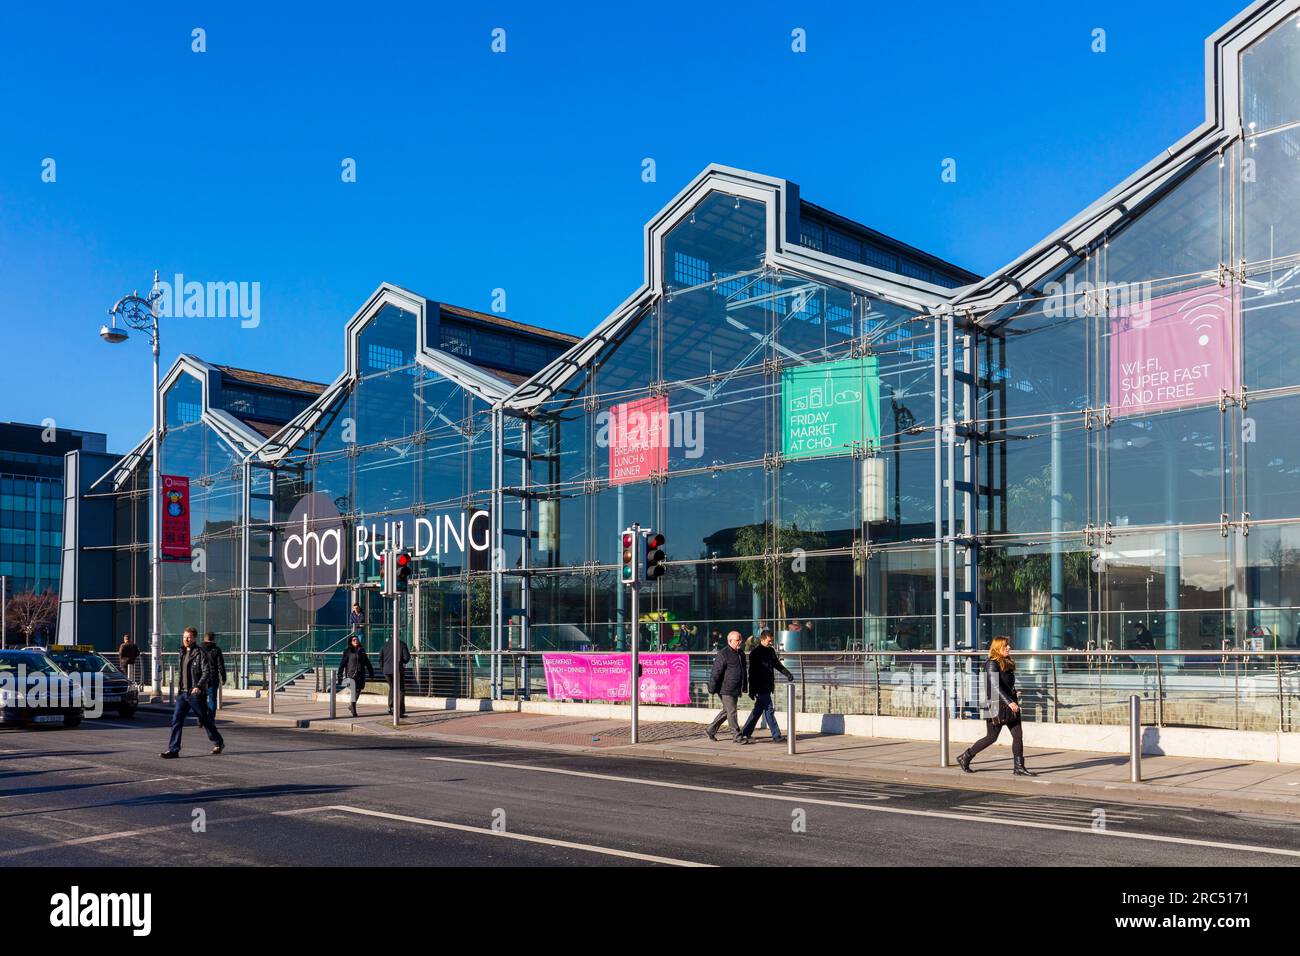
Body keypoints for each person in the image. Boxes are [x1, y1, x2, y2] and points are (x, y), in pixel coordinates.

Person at [956, 636, 1034, 777]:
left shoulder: (1006, 662)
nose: (1009, 647)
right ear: (998, 648)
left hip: (1009, 704)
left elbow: (1005, 684)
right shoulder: (991, 663)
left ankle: (1019, 767)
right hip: (995, 705)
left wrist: (1013, 694)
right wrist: (1009, 702)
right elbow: (995, 686)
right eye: (1006, 646)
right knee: (991, 737)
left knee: (1018, 735)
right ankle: (965, 757)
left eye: (1009, 645)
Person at [161, 627, 225, 759]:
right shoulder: (182, 651)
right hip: (183, 694)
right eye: (184, 637)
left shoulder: (200, 653)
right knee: (176, 720)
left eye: (189, 637)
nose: (186, 639)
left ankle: (218, 741)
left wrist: (198, 686)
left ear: (195, 638)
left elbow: (206, 672)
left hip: (195, 693)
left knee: (205, 719)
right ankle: (174, 750)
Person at [741, 628, 793, 743]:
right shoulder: (755, 653)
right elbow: (752, 673)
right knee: (769, 709)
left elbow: (777, 664)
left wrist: (787, 673)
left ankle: (744, 732)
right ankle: (776, 735)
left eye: (772, 641)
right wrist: (752, 690)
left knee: (758, 710)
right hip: (760, 687)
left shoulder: (770, 651)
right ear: (763, 639)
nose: (771, 643)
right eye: (769, 641)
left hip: (768, 685)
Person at [705, 630, 748, 743]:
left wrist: (744, 686)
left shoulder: (741, 654)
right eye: (737, 640)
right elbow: (716, 672)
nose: (740, 642)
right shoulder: (723, 654)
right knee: (732, 711)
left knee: (727, 711)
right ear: (730, 641)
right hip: (725, 688)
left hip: (736, 688)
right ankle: (737, 736)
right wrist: (712, 687)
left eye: (741, 639)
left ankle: (710, 730)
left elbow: (743, 671)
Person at [336, 633, 375, 717]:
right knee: (353, 691)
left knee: (358, 690)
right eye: (354, 640)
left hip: (360, 674)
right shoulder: (348, 651)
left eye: (357, 640)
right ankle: (354, 709)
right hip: (351, 674)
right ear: (351, 642)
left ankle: (351, 706)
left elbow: (367, 662)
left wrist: (371, 672)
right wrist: (339, 675)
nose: (356, 641)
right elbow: (342, 663)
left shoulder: (362, 650)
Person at [380, 634, 411, 717]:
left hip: (387, 671)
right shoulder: (402, 644)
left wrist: (383, 669)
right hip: (397, 670)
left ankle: (391, 708)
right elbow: (407, 658)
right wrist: (402, 662)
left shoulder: (385, 645)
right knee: (401, 689)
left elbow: (380, 658)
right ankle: (400, 711)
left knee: (392, 688)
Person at [202, 632, 227, 713]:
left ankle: (201, 718)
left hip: (201, 677)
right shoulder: (217, 650)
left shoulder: (199, 649)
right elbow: (221, 665)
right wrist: (223, 677)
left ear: (205, 639)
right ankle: (211, 719)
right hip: (213, 676)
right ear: (213, 639)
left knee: (201, 699)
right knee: (212, 699)